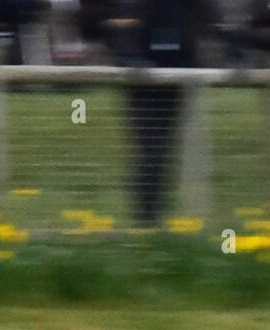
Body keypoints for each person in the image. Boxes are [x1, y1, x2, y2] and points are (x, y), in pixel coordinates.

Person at [77, 1, 226, 225]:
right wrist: (130, 57)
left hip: (177, 71)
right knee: (152, 151)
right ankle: (147, 221)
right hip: (143, 79)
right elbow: (113, 23)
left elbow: (209, 19)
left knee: (162, 151)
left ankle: (151, 220)